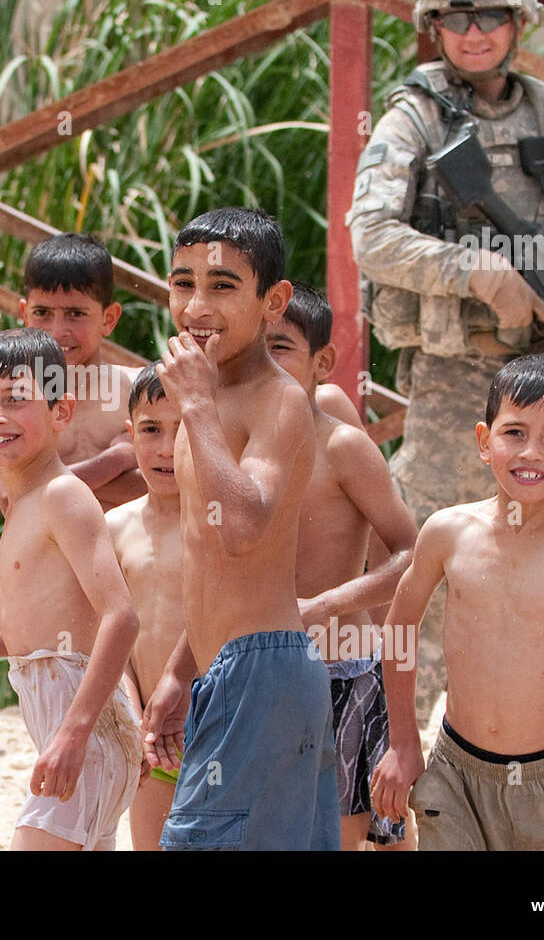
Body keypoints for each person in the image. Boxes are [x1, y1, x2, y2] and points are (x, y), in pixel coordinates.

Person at [346, 0, 544, 728]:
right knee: (432, 565)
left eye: (491, 18)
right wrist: (474, 272)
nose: (473, 34)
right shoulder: (413, 117)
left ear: (519, 23)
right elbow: (369, 236)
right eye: (455, 19)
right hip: (455, 381)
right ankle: (398, 756)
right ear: (433, 28)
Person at [371, 355, 544, 851]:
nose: (531, 452)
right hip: (454, 773)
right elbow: (400, 629)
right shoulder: (448, 532)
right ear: (483, 441)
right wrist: (404, 741)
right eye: (514, 432)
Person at [142, 207, 339, 851]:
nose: (197, 305)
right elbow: (213, 563)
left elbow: (244, 528)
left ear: (274, 300)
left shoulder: (277, 398)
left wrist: (194, 404)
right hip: (228, 668)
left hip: (262, 669)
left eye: (223, 285)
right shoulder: (212, 400)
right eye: (182, 283)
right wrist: (180, 673)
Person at [0, 328, 141, 850]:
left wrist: (74, 734)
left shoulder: (63, 495)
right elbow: (63, 623)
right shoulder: (26, 500)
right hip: (82, 738)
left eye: (16, 400)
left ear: (63, 412)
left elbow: (120, 617)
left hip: (86, 735)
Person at [266, 285, 419, 851]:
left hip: (340, 669)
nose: (263, 362)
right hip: (259, 673)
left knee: (346, 834)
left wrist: (327, 604)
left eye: (279, 347)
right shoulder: (229, 443)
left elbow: (409, 553)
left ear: (321, 363)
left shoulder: (342, 448)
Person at [104, 364, 184, 850]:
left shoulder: (223, 529)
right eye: (152, 429)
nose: (167, 448)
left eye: (184, 430)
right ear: (130, 434)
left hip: (222, 729)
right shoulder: (114, 528)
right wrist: (135, 722)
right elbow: (109, 634)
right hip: (151, 744)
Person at [13, 232, 145, 509]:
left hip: (125, 551)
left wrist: (47, 486)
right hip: (49, 552)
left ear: (108, 319)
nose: (58, 331)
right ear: (25, 314)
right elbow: (13, 496)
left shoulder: (139, 390)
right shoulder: (13, 397)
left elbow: (161, 487)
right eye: (42, 313)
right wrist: (118, 457)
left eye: (76, 314)